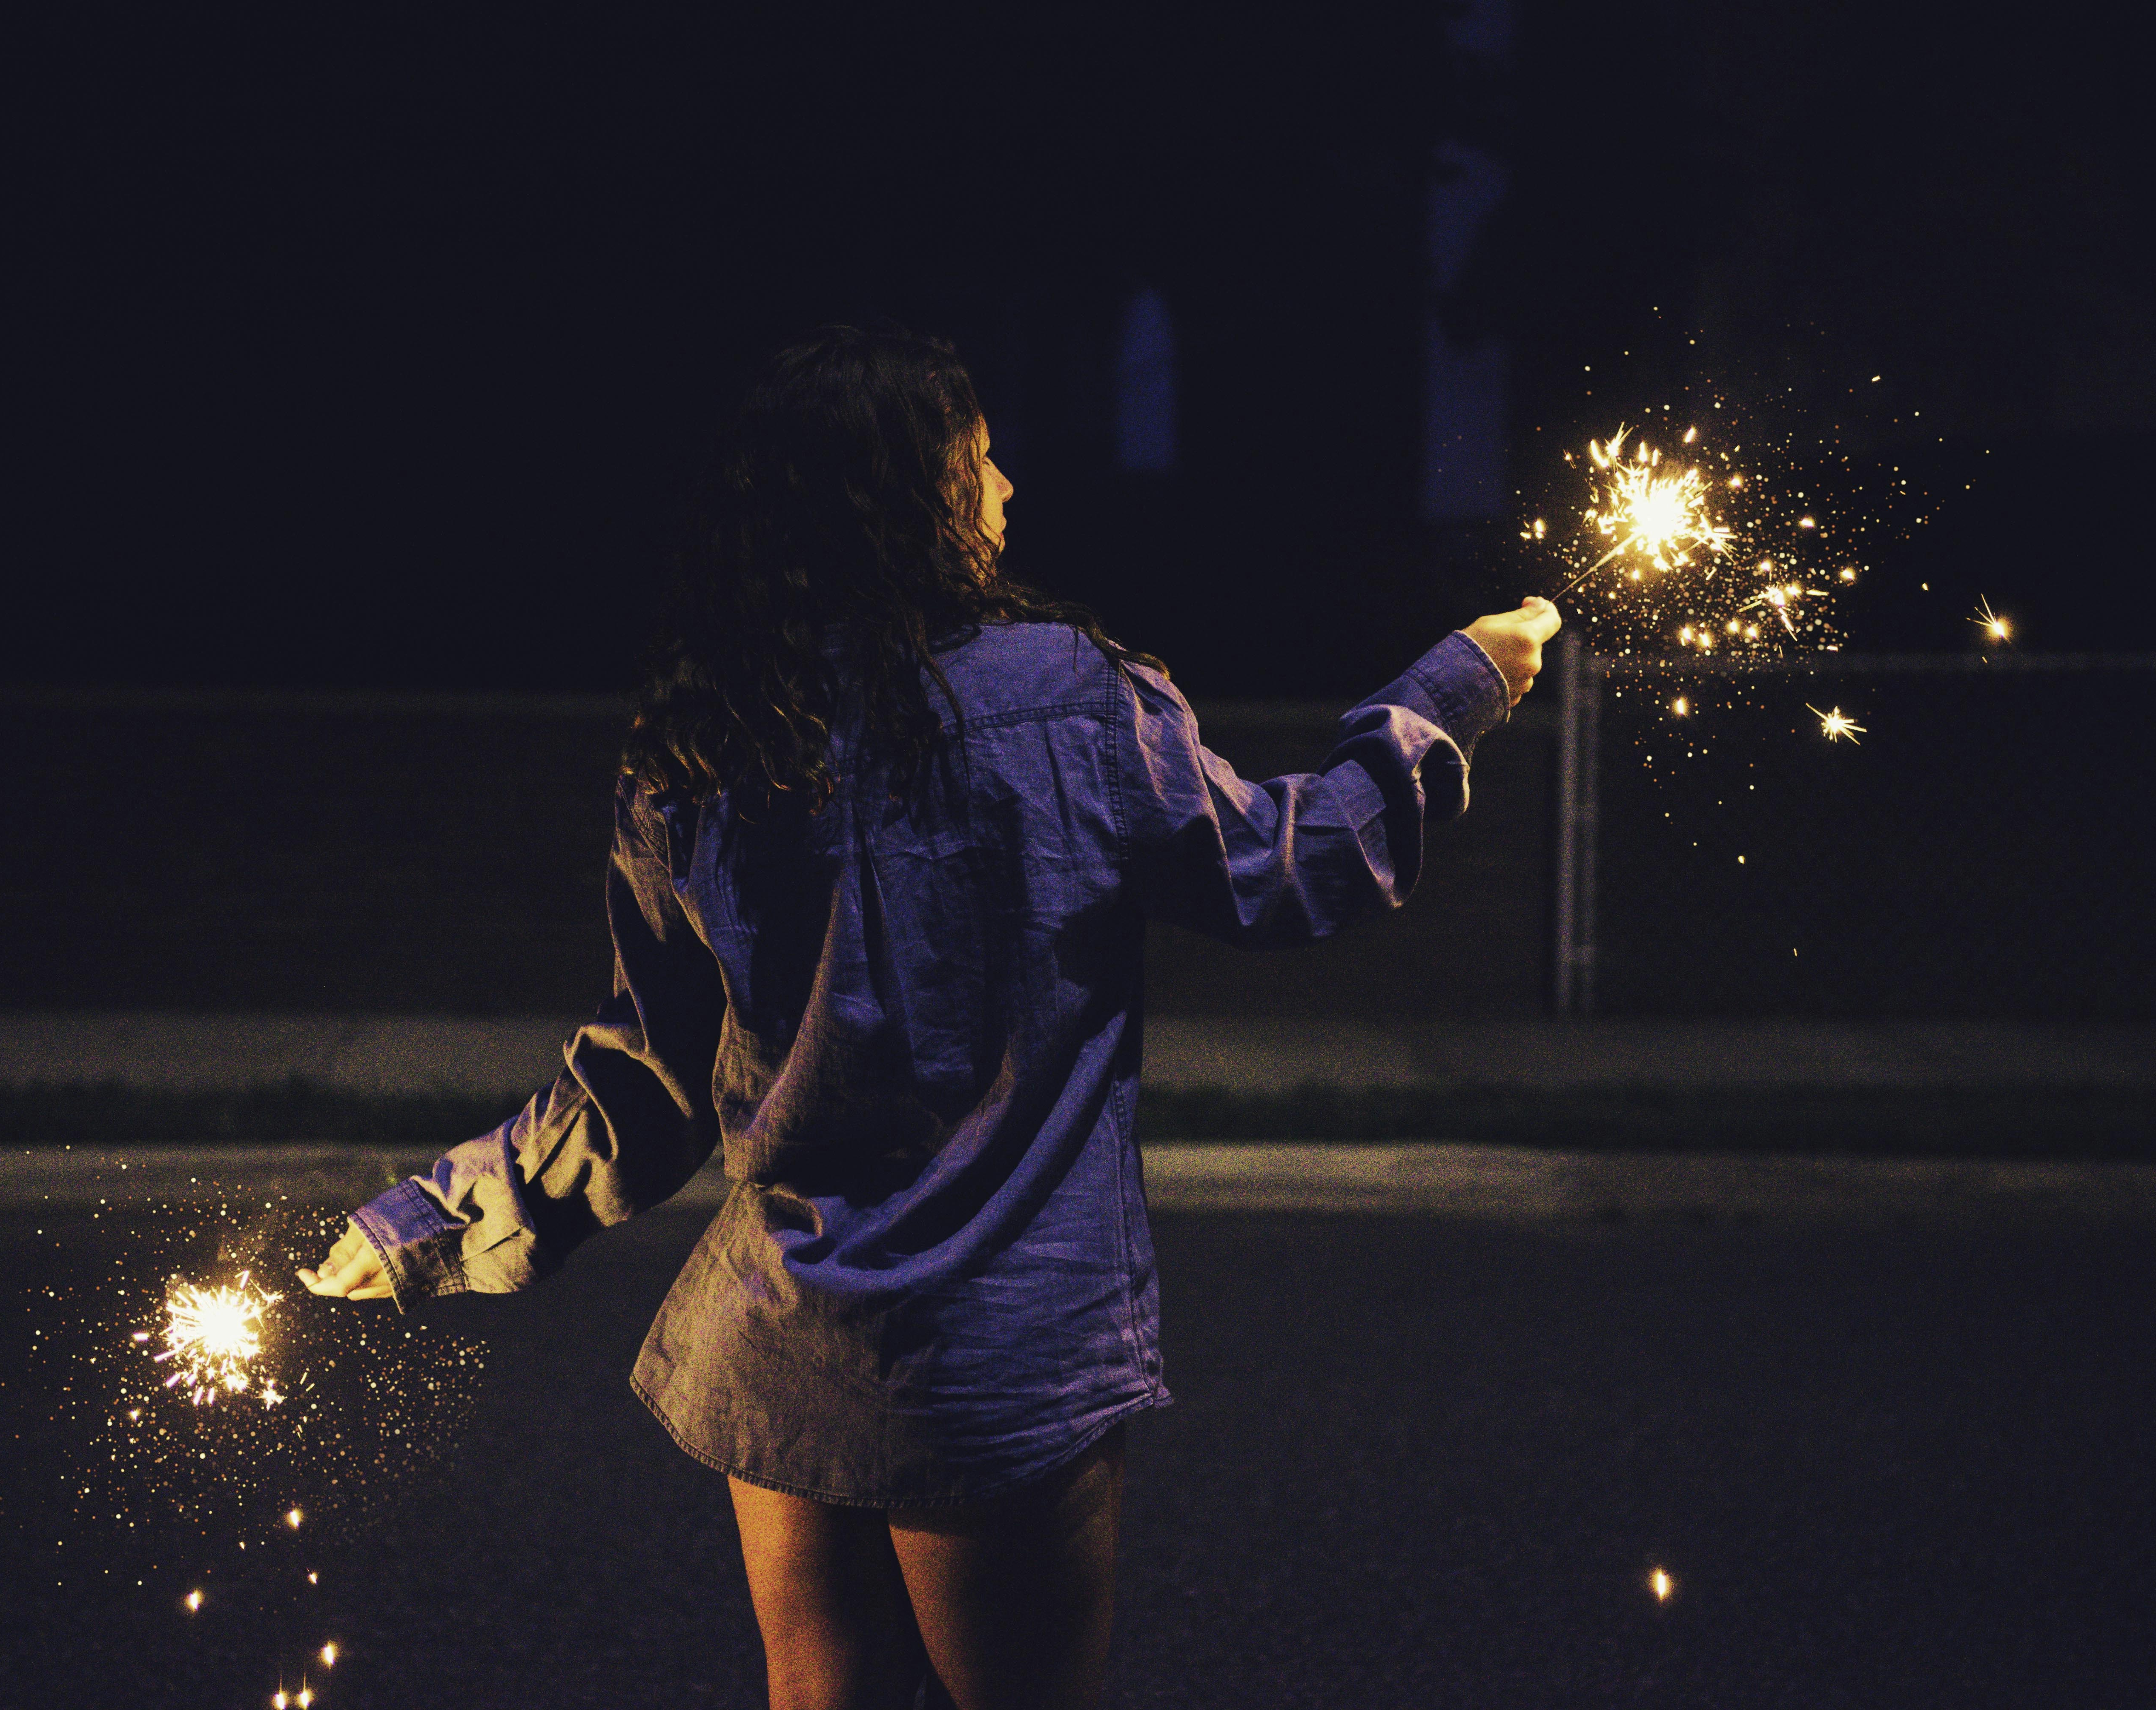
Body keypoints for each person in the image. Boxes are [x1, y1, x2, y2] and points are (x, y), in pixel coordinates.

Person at [299, 324, 1559, 1709]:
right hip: (993, 1352)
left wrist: (431, 1216)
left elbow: (641, 1087)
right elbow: (1293, 871)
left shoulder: (703, 744)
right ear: (910, 500)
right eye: (978, 460)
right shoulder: (1068, 700)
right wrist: (1458, 689)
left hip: (791, 1340)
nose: (1009, 487)